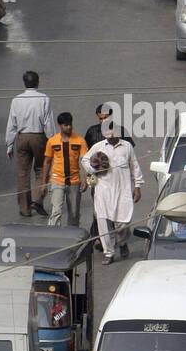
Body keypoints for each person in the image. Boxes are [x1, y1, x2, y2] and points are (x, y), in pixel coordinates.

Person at [81, 123, 143, 263]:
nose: (110, 136)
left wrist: (137, 186)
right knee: (103, 221)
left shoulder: (127, 146)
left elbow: (135, 166)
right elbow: (85, 160)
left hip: (123, 190)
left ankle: (122, 242)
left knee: (123, 222)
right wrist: (95, 168)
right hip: (103, 191)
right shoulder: (98, 147)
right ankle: (109, 253)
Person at [4, 70, 55, 219]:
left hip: (22, 138)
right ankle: (38, 201)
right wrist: (52, 141)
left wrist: (9, 145)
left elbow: (11, 124)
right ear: (37, 82)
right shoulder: (44, 99)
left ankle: (25, 209)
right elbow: (48, 122)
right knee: (41, 169)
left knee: (22, 173)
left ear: (24, 83)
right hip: (39, 137)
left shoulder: (16, 100)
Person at [41, 112, 87, 228]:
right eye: (66, 125)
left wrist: (85, 179)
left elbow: (83, 161)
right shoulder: (52, 141)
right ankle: (53, 236)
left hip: (74, 181)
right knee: (56, 211)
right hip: (57, 180)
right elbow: (47, 162)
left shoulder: (80, 141)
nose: (69, 127)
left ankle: (73, 238)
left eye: (70, 124)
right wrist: (43, 183)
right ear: (60, 125)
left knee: (74, 213)